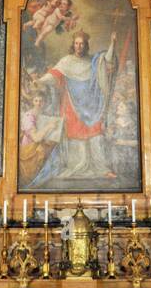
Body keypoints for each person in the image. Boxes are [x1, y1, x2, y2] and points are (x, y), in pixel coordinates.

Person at [31, 29, 118, 183]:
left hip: (91, 105)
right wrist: (41, 81)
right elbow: (54, 75)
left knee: (95, 134)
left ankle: (101, 169)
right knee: (75, 134)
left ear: (86, 45)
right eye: (77, 44)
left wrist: (112, 43)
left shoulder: (93, 62)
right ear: (73, 45)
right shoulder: (67, 61)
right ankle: (77, 166)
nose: (79, 46)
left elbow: (108, 61)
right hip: (72, 103)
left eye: (82, 44)